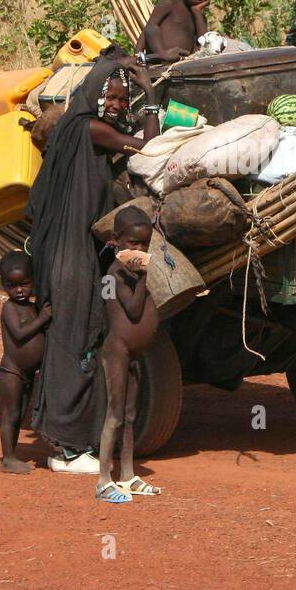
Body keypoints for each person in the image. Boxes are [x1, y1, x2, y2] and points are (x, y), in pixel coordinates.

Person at [24, 48, 161, 474]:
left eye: (125, 100)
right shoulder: (90, 129)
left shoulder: (76, 126)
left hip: (69, 250)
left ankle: (72, 440)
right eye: (116, 98)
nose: (120, 105)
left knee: (82, 336)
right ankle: (65, 449)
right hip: (70, 257)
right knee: (74, 339)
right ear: (96, 95)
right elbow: (151, 149)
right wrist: (151, 94)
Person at [94, 205, 163, 503]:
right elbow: (134, 310)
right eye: (133, 244)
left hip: (134, 353)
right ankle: (103, 479)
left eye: (145, 245)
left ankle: (128, 475)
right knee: (115, 413)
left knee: (131, 415)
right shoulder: (114, 273)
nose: (139, 250)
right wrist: (147, 276)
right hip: (117, 352)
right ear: (116, 240)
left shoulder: (132, 274)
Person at [0, 250, 52, 475]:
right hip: (12, 371)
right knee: (10, 413)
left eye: (25, 284)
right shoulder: (9, 308)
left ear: (34, 281)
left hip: (28, 373)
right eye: (12, 286)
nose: (19, 291)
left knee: (20, 414)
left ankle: (13, 453)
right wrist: (42, 318)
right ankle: (8, 458)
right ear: (3, 285)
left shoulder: (32, 306)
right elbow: (19, 334)